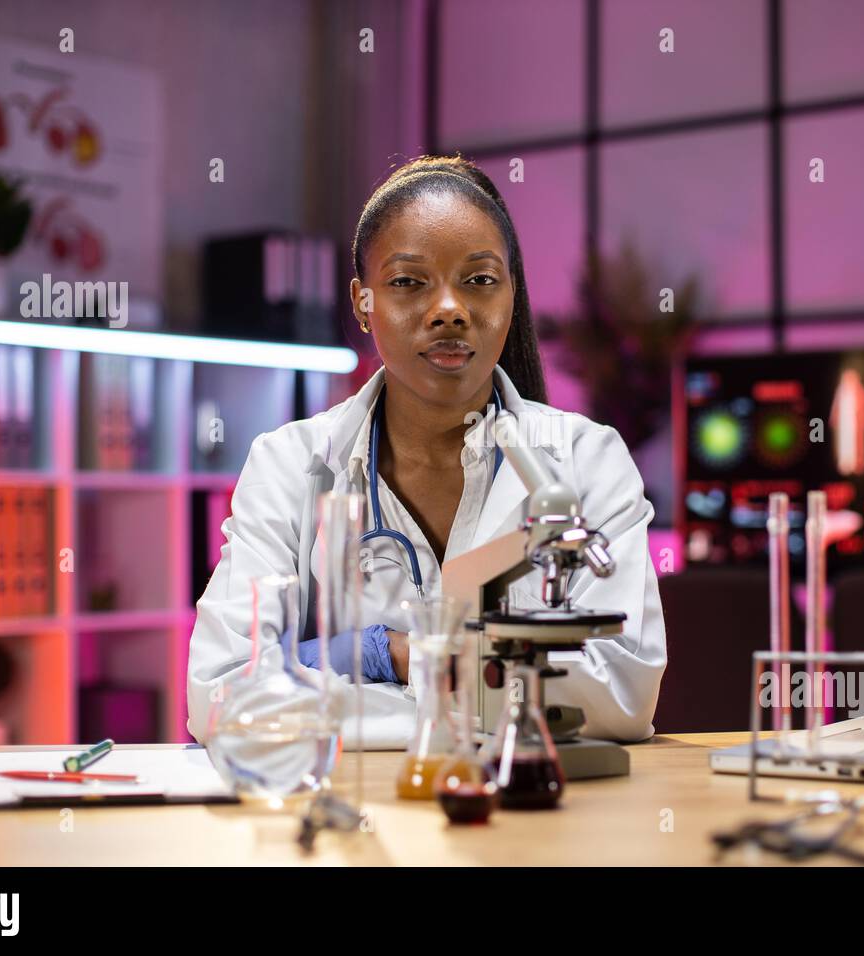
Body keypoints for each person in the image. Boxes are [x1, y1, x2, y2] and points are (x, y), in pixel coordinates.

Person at [186, 154, 666, 747]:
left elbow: (621, 695)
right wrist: (483, 698)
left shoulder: (588, 459)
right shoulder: (289, 464)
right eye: (409, 282)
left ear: (511, 295)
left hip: (529, 823)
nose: (449, 309)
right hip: (351, 827)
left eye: (480, 280)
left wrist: (390, 656)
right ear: (364, 302)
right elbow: (223, 694)